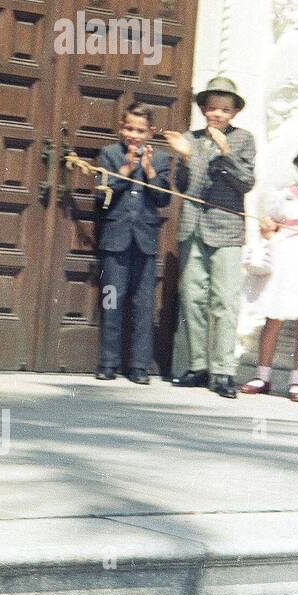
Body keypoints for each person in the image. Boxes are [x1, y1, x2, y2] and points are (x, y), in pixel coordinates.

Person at [162, 77, 257, 399]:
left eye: (225, 110)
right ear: (203, 109)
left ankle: (223, 372)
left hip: (227, 229)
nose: (218, 114)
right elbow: (182, 185)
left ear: (234, 112)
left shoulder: (243, 139)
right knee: (192, 298)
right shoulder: (190, 138)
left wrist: (225, 152)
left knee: (224, 301)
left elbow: (246, 183)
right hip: (193, 227)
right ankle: (198, 366)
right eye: (213, 108)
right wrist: (186, 157)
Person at [92, 102, 172, 384]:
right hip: (115, 241)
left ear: (150, 132)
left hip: (144, 243)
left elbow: (163, 199)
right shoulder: (109, 154)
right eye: (129, 129)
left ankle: (139, 366)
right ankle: (108, 363)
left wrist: (149, 170)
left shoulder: (160, 159)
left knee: (143, 305)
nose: (134, 135)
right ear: (121, 128)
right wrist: (125, 170)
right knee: (111, 300)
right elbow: (101, 196)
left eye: (140, 131)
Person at [239, 143, 298, 402]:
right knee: (274, 317)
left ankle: (297, 380)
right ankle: (262, 376)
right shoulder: (284, 196)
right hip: (284, 260)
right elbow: (268, 228)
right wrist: (267, 229)